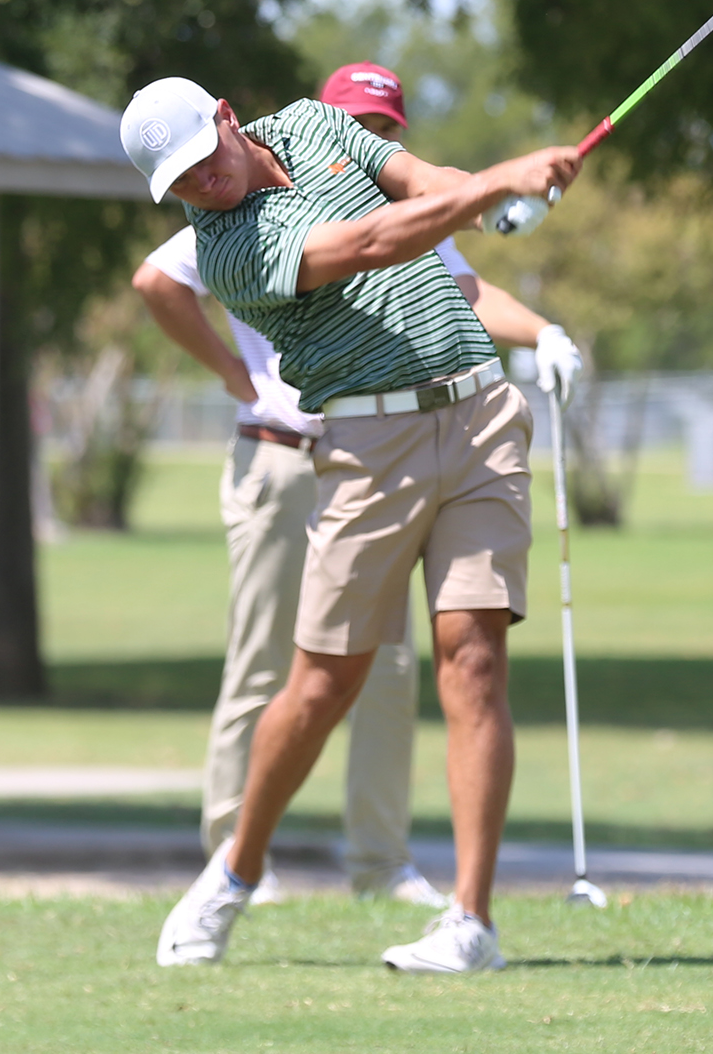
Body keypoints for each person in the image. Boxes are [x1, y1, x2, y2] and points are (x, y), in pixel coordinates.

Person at [120, 73, 582, 973]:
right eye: (177, 184)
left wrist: (495, 203)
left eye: (202, 163)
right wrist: (496, 183)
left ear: (227, 118)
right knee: (323, 683)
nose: (198, 187)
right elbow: (370, 241)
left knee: (474, 659)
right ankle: (237, 870)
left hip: (483, 411)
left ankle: (472, 922)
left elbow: (417, 183)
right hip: (372, 444)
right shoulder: (229, 250)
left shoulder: (314, 124)